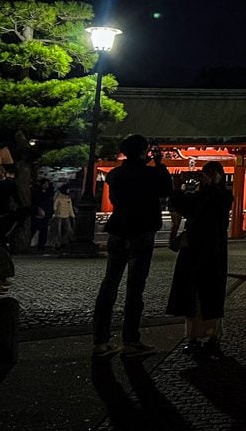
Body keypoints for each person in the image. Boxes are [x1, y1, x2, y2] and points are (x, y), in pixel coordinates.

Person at [92, 134, 173, 358]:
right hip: (142, 230)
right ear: (144, 152)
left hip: (118, 229)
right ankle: (130, 339)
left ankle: (100, 340)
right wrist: (159, 164)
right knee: (135, 287)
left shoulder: (115, 175)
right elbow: (166, 190)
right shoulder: (151, 174)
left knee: (110, 283)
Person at [165, 161, 233, 358]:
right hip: (194, 248)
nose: (209, 176)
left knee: (211, 294)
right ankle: (192, 337)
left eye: (213, 173)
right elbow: (180, 206)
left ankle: (213, 336)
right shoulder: (196, 196)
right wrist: (176, 186)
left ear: (220, 176)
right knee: (192, 294)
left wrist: (210, 185)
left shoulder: (223, 195)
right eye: (206, 173)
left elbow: (221, 205)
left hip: (213, 250)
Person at [30, 178, 55, 252]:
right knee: (34, 228)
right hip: (38, 212)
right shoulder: (37, 193)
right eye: (44, 184)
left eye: (47, 184)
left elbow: (50, 204)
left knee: (44, 230)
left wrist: (50, 213)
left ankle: (41, 245)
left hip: (46, 213)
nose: (46, 185)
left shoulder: (49, 193)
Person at [52, 184, 76, 250]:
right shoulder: (59, 197)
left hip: (65, 215)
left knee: (65, 230)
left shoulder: (67, 197)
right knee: (59, 230)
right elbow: (55, 206)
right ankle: (58, 243)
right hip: (59, 215)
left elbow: (70, 207)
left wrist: (72, 215)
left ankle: (63, 242)